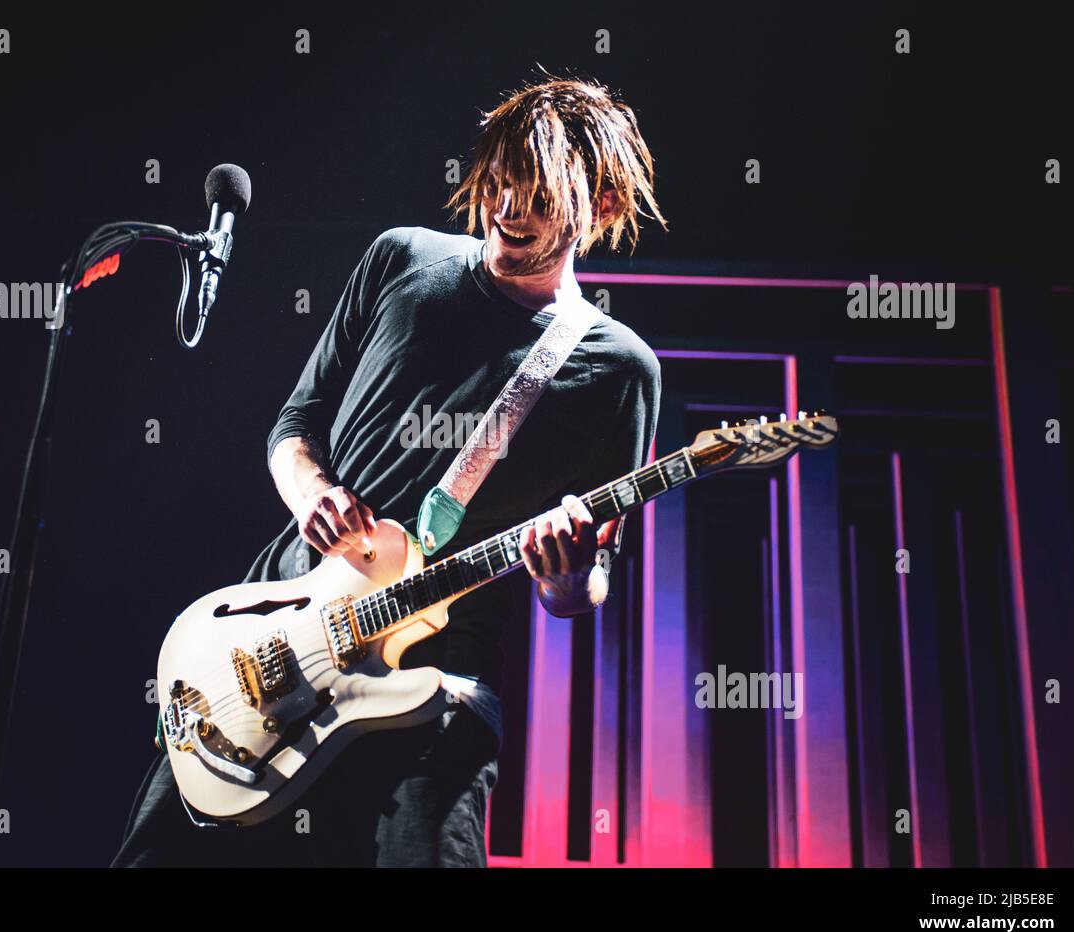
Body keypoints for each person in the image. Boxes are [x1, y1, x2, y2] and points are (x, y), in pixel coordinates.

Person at [112, 75, 666, 867]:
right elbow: (295, 425)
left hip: (437, 689)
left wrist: (566, 574)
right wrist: (313, 493)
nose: (509, 210)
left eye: (538, 196)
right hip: (277, 644)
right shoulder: (401, 258)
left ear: (602, 206)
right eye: (500, 182)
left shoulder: (619, 369)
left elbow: (593, 582)